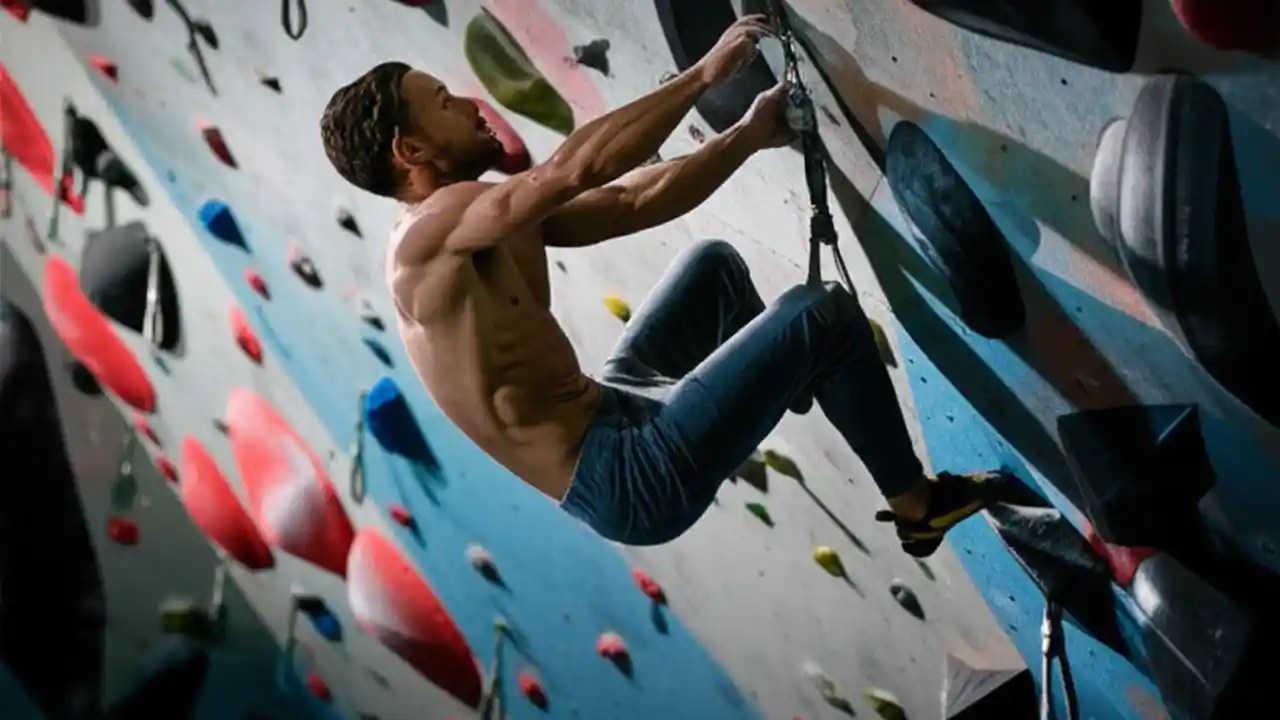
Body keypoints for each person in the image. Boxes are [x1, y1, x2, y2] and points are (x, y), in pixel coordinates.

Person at [319, 15, 998, 555]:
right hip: (629, 480)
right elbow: (570, 171)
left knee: (716, 271)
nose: (469, 104)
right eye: (443, 103)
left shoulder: (478, 216)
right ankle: (917, 507)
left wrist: (748, 133)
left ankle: (784, 377)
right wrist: (701, 75)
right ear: (410, 153)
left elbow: (626, 204)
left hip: (616, 404)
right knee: (822, 316)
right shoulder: (427, 240)